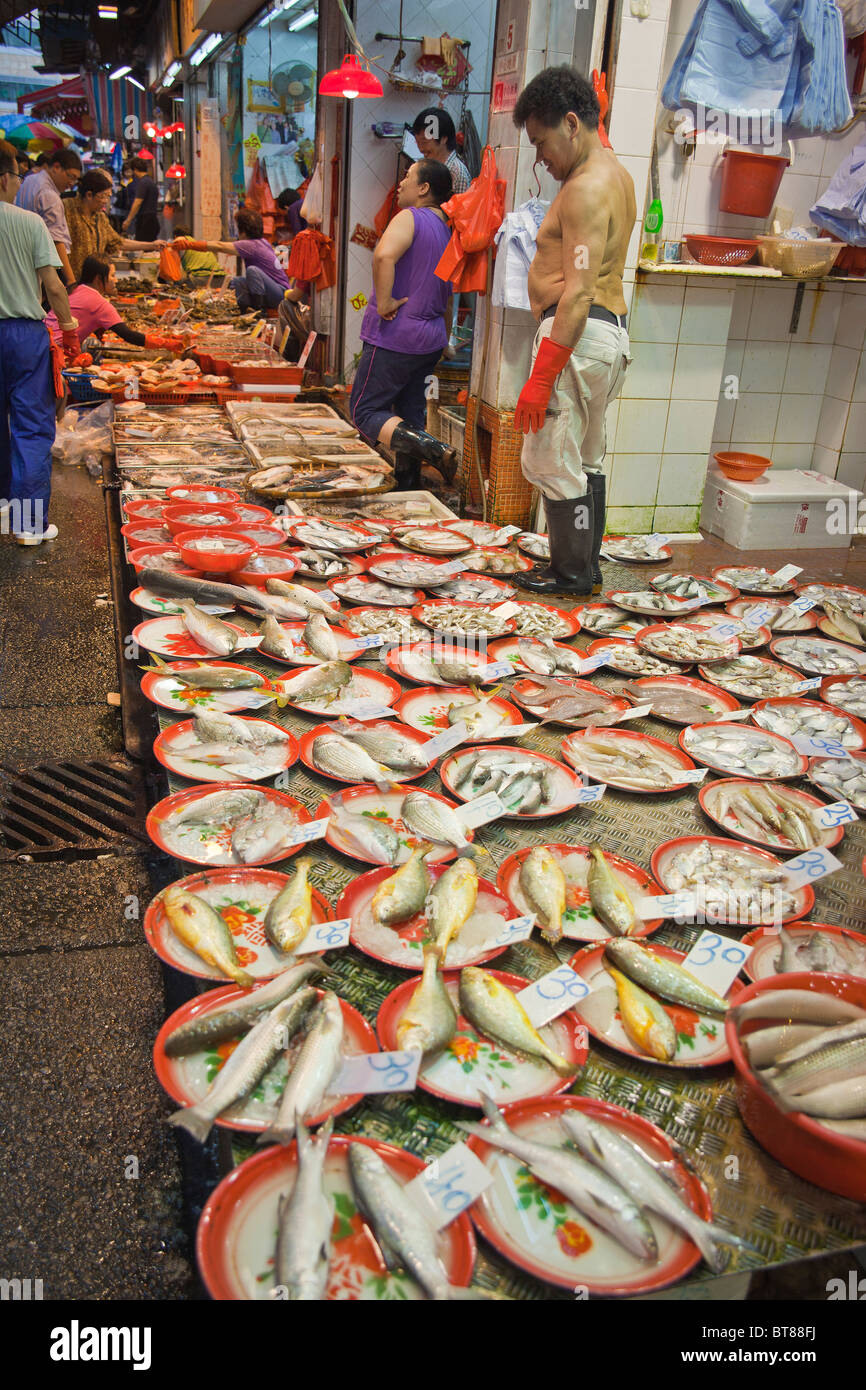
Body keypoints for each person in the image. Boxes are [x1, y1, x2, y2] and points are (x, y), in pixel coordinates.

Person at [511, 66, 634, 596]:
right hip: (604, 339)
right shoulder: (615, 174)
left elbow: (579, 290)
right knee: (584, 460)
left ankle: (572, 573)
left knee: (549, 460)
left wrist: (540, 378)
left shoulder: (584, 189)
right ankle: (585, 567)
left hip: (578, 339)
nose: (541, 157)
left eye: (541, 142)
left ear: (570, 124)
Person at [348, 157, 457, 490]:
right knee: (410, 411)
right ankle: (408, 484)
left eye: (408, 177)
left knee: (365, 410)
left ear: (424, 188)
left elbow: (383, 255)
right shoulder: (447, 230)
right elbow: (450, 294)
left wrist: (385, 303)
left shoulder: (410, 217)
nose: (400, 183)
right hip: (430, 339)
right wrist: (446, 339)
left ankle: (435, 449)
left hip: (397, 336)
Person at [0, 143, 77, 545]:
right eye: (16, 178)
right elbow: (55, 287)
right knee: (31, 430)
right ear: (4, 179)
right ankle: (29, 526)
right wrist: (69, 328)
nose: (18, 184)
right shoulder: (30, 223)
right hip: (22, 335)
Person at [44, 256, 184, 353]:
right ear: (99, 279)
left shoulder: (77, 289)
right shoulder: (98, 302)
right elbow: (129, 336)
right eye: (112, 275)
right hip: (52, 350)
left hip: (41, 341)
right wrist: (167, 344)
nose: (116, 280)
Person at [172, 208, 292, 311]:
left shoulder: (249, 245)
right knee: (238, 281)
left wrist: (188, 245)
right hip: (275, 291)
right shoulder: (262, 242)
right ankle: (245, 311)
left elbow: (219, 246)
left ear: (242, 230)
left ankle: (259, 310)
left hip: (281, 294)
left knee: (252, 270)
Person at [64, 169, 162, 281]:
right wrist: (70, 281)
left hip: (95, 283)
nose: (106, 201)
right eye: (104, 196)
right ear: (89, 195)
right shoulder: (66, 209)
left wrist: (152, 245)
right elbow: (58, 246)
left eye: (108, 196)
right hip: (71, 283)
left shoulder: (100, 218)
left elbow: (117, 242)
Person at [15, 146, 82, 286]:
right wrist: (70, 280)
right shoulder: (49, 195)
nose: (71, 184)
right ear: (56, 167)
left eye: (75, 180)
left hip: (23, 259)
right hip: (44, 265)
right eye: (71, 176)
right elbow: (56, 240)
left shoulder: (30, 180)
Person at [410, 107, 471, 194]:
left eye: (424, 142)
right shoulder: (428, 167)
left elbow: (461, 207)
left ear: (443, 139)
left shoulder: (457, 174)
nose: (421, 149)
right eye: (417, 142)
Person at [121, 156, 160, 242]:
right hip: (153, 219)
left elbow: (137, 202)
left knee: (143, 247)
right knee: (150, 247)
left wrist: (128, 220)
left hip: (145, 221)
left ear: (135, 169)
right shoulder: (151, 182)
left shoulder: (143, 183)